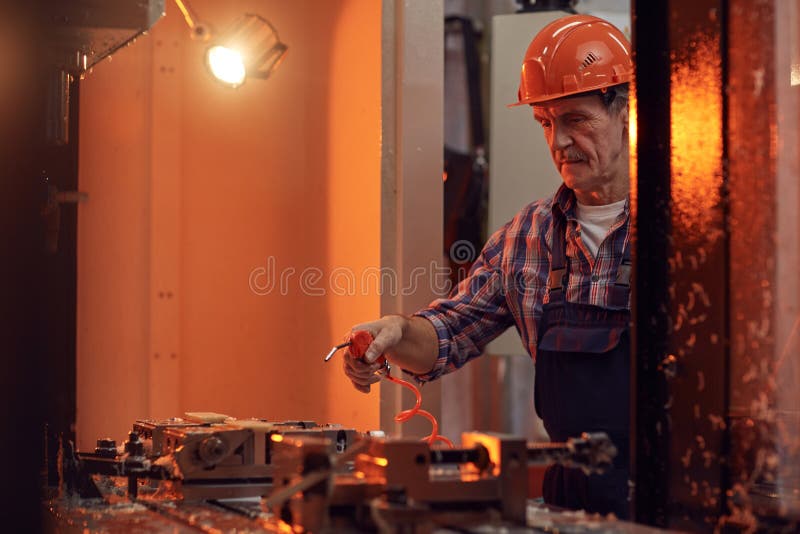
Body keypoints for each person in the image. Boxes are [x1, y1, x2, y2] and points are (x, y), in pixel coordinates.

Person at [343, 14, 633, 518]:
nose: (558, 141)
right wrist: (393, 332)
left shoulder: (690, 233)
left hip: (670, 496)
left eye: (576, 119)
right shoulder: (529, 236)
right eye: (546, 122)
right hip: (572, 500)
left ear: (625, 110)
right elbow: (451, 331)